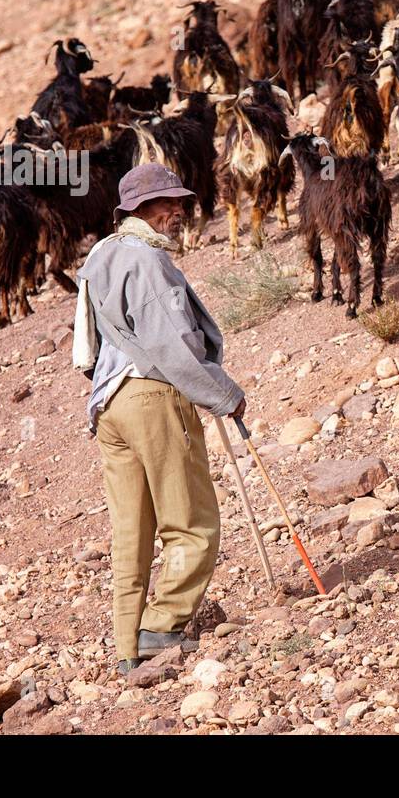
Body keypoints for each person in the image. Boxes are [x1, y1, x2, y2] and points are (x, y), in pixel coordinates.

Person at [73, 163, 245, 673]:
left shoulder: (99, 255)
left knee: (131, 530)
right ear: (138, 210)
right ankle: (163, 626)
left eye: (177, 201)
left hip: (109, 407)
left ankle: (130, 647)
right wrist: (223, 393)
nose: (177, 211)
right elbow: (172, 344)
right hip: (152, 397)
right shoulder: (147, 261)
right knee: (191, 521)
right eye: (166, 203)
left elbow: (87, 346)